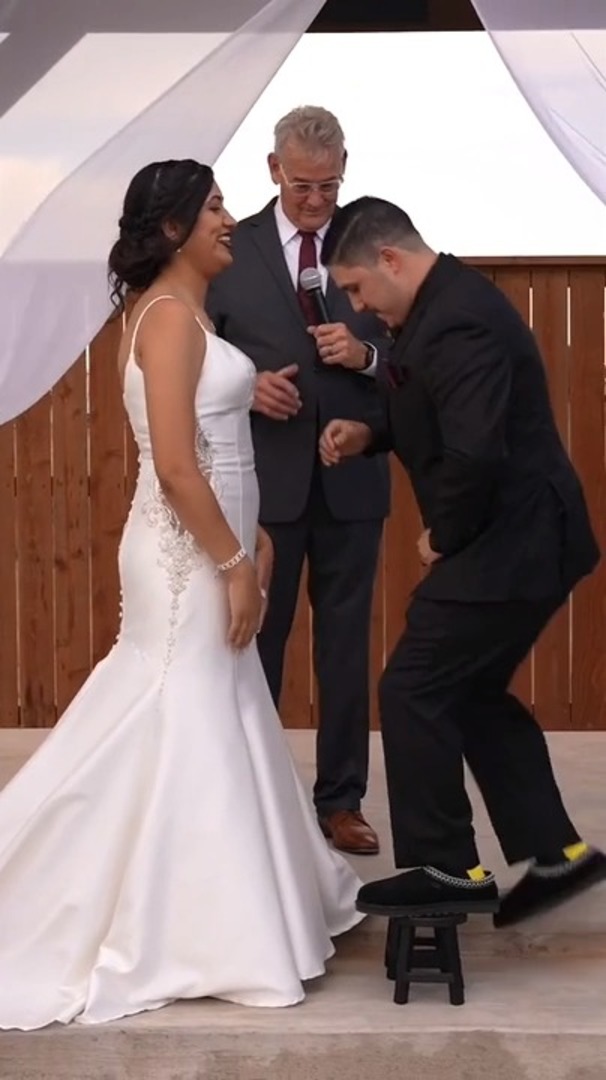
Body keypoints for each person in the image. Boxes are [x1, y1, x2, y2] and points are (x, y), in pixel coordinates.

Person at [0, 160, 364, 1031]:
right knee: (179, 706)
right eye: (213, 208)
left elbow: (218, 445)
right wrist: (234, 563)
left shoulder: (189, 310)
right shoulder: (166, 317)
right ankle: (189, 925)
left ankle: (237, 908)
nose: (229, 219)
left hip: (218, 542)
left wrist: (256, 535)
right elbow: (172, 464)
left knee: (217, 709)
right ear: (171, 229)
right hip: (180, 557)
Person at [318, 195, 606, 926]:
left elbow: (475, 449)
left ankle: (447, 867)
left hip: (516, 542)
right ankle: (558, 855)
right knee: (466, 689)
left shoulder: (460, 318)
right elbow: (433, 404)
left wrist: (443, 534)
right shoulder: (438, 308)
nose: (358, 306)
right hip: (521, 538)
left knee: (413, 687)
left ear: (390, 259)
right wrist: (370, 433)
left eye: (357, 287)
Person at [208, 107, 390, 857]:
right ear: (273, 169)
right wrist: (244, 388)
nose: (316, 201)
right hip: (263, 485)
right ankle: (251, 797)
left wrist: (368, 355)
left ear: (345, 167)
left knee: (346, 650)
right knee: (256, 643)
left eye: (329, 185)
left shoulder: (376, 243)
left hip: (355, 483)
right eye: (303, 186)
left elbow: (419, 350)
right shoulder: (231, 248)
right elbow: (194, 355)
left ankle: (341, 803)